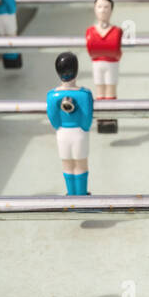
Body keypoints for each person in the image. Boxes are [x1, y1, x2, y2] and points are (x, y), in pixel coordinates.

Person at [46, 52, 94, 195]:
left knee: (67, 165)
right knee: (80, 165)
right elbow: (87, 118)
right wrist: (84, 128)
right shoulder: (84, 94)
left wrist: (59, 128)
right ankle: (82, 196)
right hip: (79, 132)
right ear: (76, 71)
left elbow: (53, 117)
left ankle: (71, 196)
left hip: (62, 133)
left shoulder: (52, 95)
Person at [85, 0, 121, 132]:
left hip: (112, 64)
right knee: (100, 90)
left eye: (106, 7)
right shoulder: (90, 31)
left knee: (110, 90)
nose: (103, 10)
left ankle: (111, 117)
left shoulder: (117, 31)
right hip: (97, 64)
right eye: (99, 7)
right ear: (94, 9)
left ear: (111, 10)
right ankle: (102, 117)